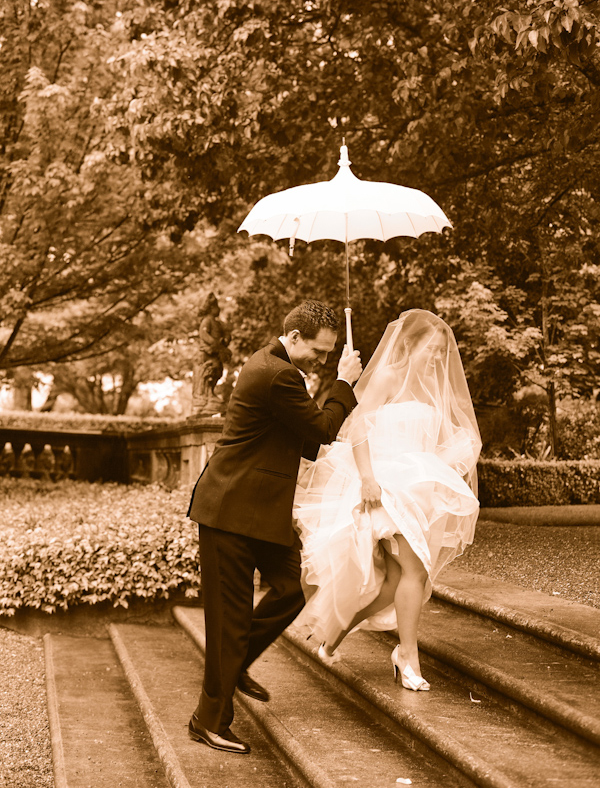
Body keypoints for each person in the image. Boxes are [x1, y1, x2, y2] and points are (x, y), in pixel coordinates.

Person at [187, 300, 362, 754]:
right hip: (229, 512)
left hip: (258, 512)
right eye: (318, 352)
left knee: (290, 589)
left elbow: (303, 440)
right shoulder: (277, 374)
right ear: (295, 337)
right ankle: (208, 720)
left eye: (329, 356)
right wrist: (344, 382)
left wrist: (328, 391)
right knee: (229, 623)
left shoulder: (285, 372)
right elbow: (322, 430)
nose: (321, 360)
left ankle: (237, 662)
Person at [294, 309, 481, 691]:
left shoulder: (433, 387)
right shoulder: (388, 377)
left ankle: (333, 636)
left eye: (441, 350)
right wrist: (367, 479)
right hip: (384, 487)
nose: (436, 357)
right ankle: (407, 656)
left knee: (392, 582)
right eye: (432, 349)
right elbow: (355, 426)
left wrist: (456, 451)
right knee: (415, 571)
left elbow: (434, 441)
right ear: (410, 345)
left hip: (418, 490)